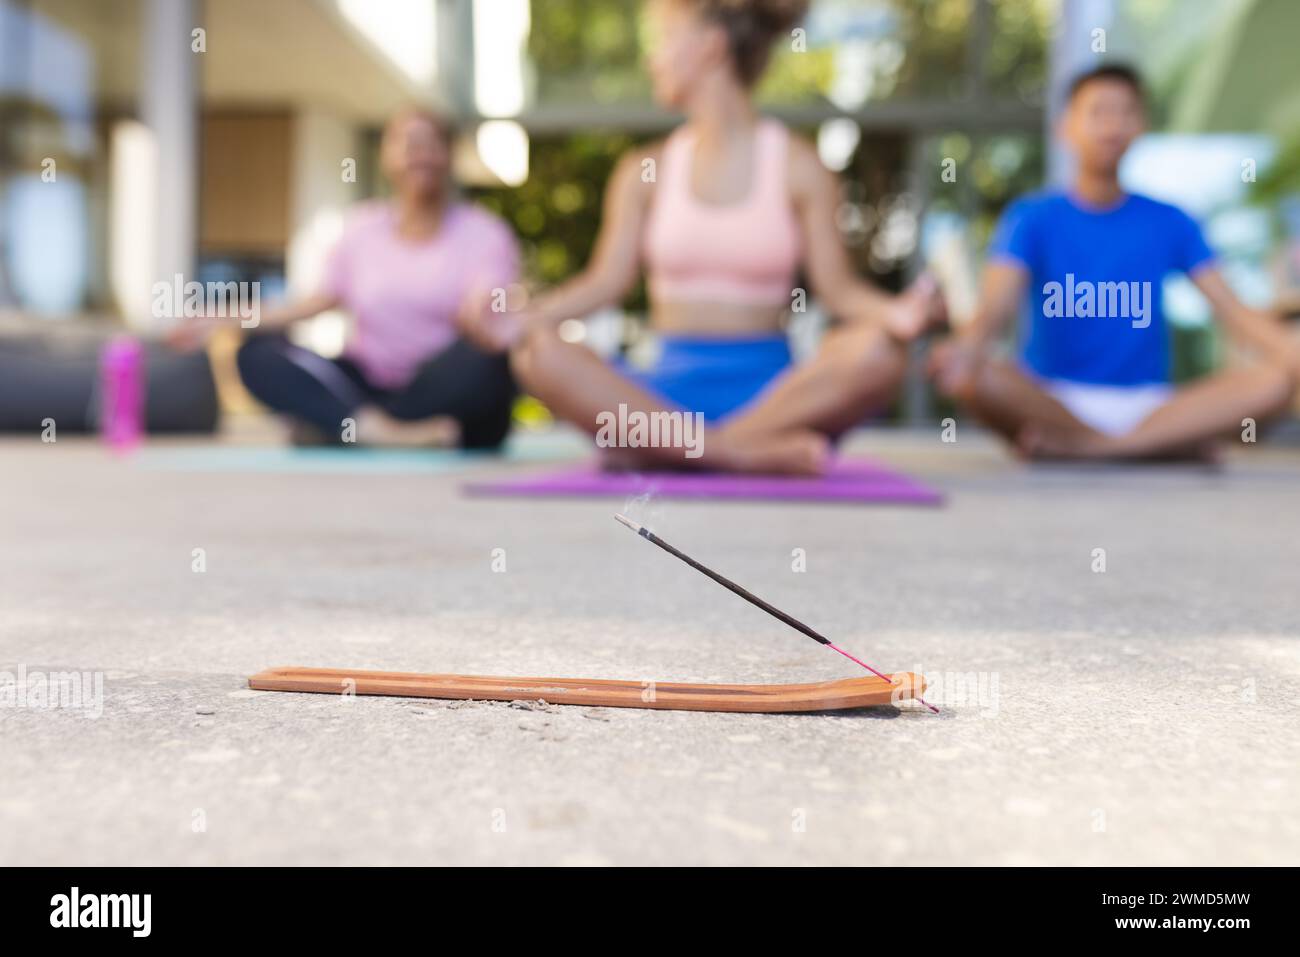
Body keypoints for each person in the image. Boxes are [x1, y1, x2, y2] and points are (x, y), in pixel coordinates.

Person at [457, 0, 942, 475]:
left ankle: (674, 450)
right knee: (537, 352)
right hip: (660, 398)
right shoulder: (642, 171)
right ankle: (739, 454)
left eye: (664, 40)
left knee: (880, 352)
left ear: (710, 46)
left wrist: (899, 314)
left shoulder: (800, 166)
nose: (652, 58)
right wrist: (523, 320)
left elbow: (839, 291)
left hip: (776, 398)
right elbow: (604, 283)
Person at [931, 64, 1298, 460]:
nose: (1112, 125)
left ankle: (1098, 448)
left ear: (1140, 127)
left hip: (1150, 406)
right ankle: (1158, 447)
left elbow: (1235, 313)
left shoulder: (1171, 220)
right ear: (1065, 127)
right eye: (1098, 111)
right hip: (1052, 401)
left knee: (1275, 382)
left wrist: (1290, 354)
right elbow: (993, 311)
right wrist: (963, 351)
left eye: (1126, 112)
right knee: (978, 378)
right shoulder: (1031, 217)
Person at [172, 107, 521, 449]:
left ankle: (338, 427)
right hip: (365, 389)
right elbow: (313, 302)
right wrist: (223, 318)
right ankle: (373, 430)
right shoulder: (361, 229)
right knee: (256, 354)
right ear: (387, 156)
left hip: (442, 387)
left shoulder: (485, 233)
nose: (421, 156)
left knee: (487, 361)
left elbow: (486, 300)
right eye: (409, 145)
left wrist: (480, 314)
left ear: (449, 156)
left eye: (432, 145)